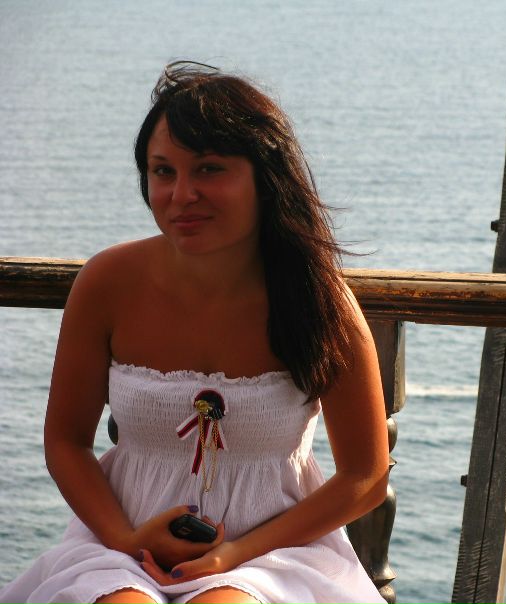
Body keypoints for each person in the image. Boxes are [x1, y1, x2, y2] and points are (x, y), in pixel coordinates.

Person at [0, 62, 389, 604]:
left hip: (273, 554)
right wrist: (128, 540)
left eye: (208, 169)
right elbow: (66, 441)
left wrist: (233, 554)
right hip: (121, 545)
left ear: (265, 177)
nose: (181, 194)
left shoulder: (317, 299)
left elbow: (365, 475)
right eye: (163, 171)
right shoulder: (108, 281)